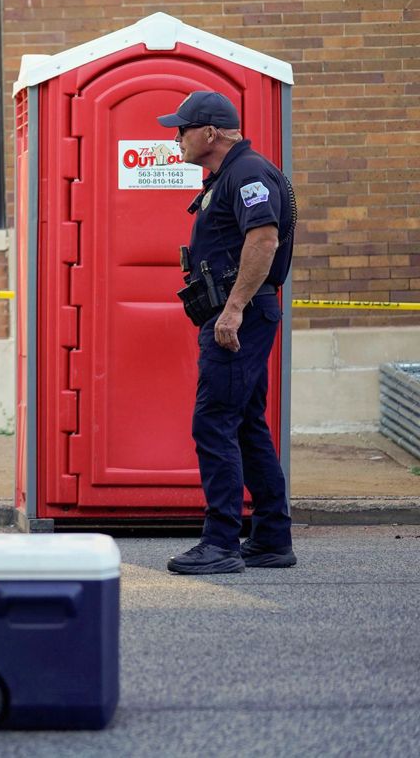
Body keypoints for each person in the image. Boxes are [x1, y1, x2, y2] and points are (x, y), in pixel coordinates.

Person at [158, 91, 298, 575]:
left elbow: (264, 239)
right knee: (245, 422)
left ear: (210, 133)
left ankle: (221, 543)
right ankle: (272, 539)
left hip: (238, 319)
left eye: (182, 129)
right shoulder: (233, 174)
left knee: (213, 421)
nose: (176, 138)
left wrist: (233, 309)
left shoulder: (249, 173)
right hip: (236, 314)